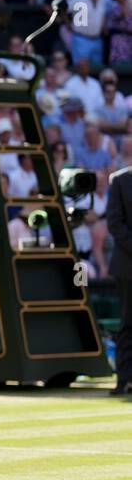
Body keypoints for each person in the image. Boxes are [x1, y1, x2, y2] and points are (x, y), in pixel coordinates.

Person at [107, 165, 132, 395]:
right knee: (127, 322)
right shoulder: (120, 180)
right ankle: (124, 379)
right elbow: (114, 223)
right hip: (127, 265)